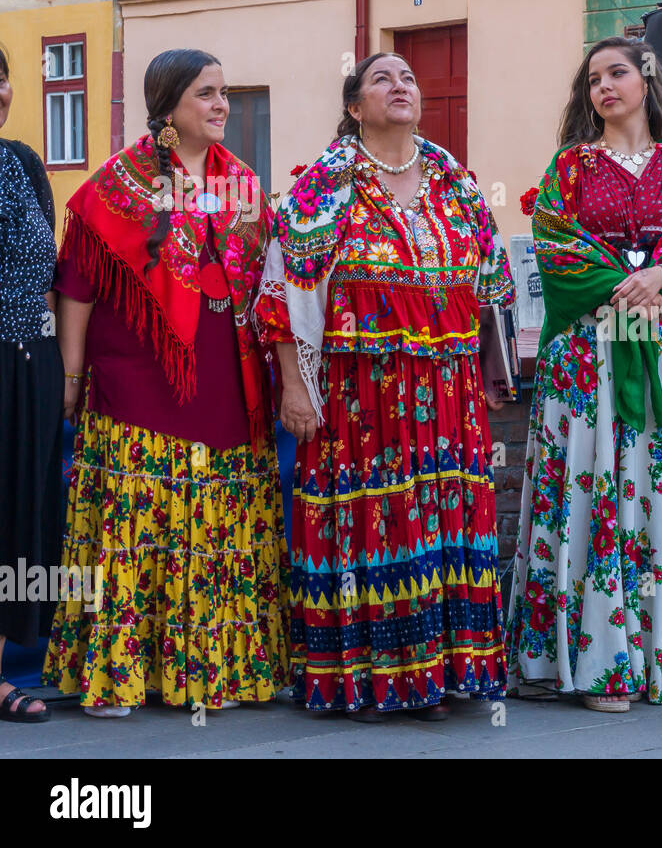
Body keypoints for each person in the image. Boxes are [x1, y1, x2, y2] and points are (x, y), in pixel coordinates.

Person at [255, 52, 516, 722]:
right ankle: (366, 681)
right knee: (370, 529)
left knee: (445, 526)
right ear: (355, 106)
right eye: (381, 79)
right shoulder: (325, 181)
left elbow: (491, 286)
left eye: (407, 77)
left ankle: (437, 677)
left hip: (450, 395)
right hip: (360, 397)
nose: (399, 86)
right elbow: (282, 291)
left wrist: (493, 368)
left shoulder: (455, 179)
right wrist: (293, 386)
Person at [44, 49, 289, 717]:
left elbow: (267, 285)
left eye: (224, 93)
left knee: (220, 528)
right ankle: (118, 675)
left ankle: (214, 671)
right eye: (206, 93)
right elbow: (76, 288)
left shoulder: (242, 183)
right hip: (139, 381)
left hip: (226, 381)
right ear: (169, 105)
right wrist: (71, 375)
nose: (220, 105)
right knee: (137, 523)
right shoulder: (115, 186)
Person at [506, 37, 662, 712]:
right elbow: (554, 245)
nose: (605, 86)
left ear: (647, 80)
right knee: (589, 489)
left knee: (655, 489)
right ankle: (595, 663)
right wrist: (628, 284)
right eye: (594, 79)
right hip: (585, 356)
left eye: (618, 73)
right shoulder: (570, 165)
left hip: (661, 349)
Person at [0, 45, 61, 723]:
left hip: (32, 361)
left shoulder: (22, 163)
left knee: (22, 522)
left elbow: (50, 268)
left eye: (0, 78)